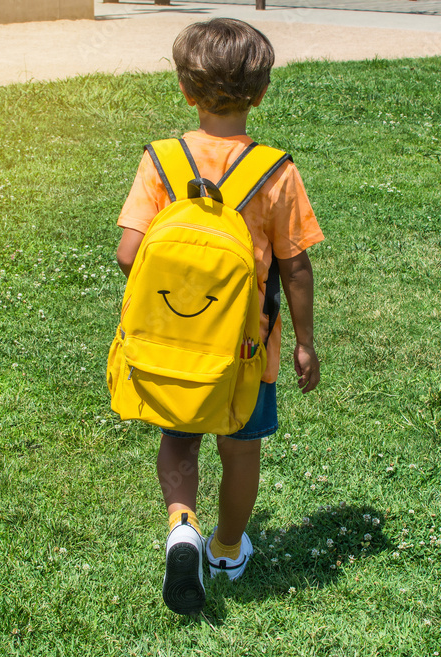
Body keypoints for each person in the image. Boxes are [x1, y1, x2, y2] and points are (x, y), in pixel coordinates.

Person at [114, 17, 324, 616]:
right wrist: (305, 342)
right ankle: (227, 549)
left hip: (174, 345)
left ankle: (182, 523)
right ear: (260, 93)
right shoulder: (276, 171)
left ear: (185, 89)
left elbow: (130, 252)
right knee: (241, 450)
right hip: (246, 350)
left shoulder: (161, 161)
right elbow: (296, 266)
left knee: (179, 439)